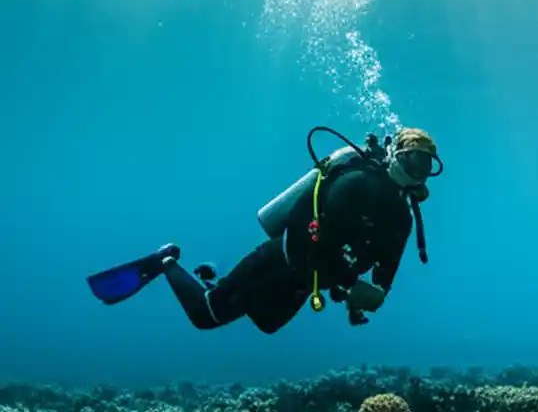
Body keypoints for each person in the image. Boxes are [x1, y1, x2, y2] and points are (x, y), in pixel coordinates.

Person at [87, 126, 441, 333]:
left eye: (426, 166)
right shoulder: (357, 183)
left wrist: (362, 300)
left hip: (306, 283)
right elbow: (315, 239)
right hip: (282, 259)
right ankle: (166, 261)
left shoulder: (402, 217)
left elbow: (384, 267)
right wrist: (350, 285)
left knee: (266, 323)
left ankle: (215, 281)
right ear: (395, 154)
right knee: (206, 316)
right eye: (413, 158)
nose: (417, 170)